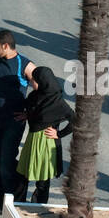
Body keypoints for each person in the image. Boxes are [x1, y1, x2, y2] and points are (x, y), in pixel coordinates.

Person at [0, 30, 41, 213]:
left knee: (6, 162)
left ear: (5, 46)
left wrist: (29, 113)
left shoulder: (24, 64)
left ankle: (11, 199)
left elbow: (41, 89)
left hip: (13, 122)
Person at [15, 66, 73, 204]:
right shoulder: (34, 96)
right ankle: (18, 203)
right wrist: (27, 115)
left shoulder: (57, 102)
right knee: (23, 173)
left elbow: (75, 120)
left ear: (43, 81)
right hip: (32, 140)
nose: (31, 82)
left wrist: (58, 134)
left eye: (34, 80)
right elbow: (35, 111)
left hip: (45, 142)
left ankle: (37, 205)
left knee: (42, 178)